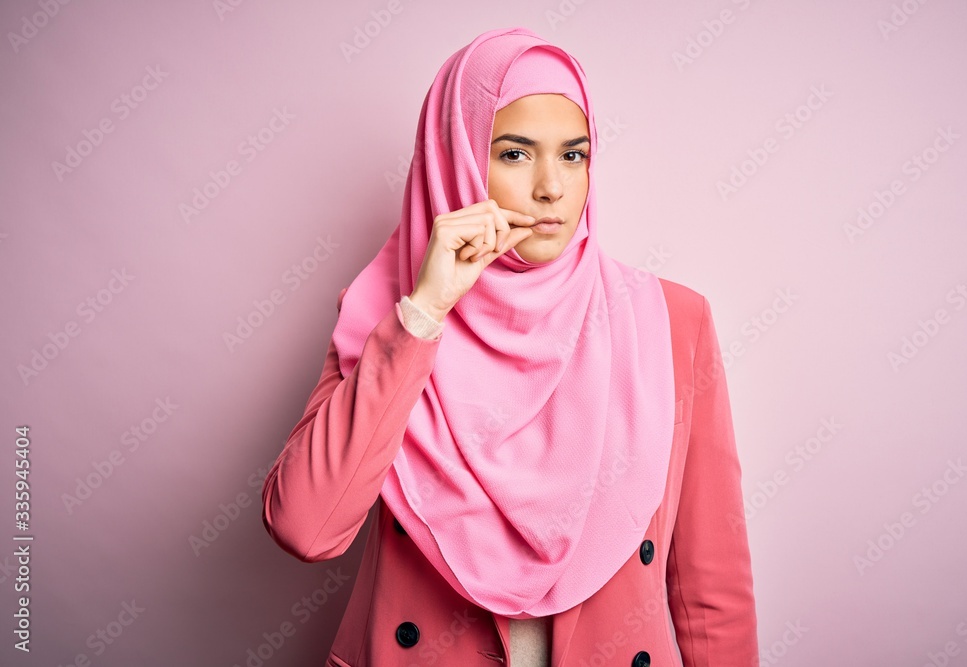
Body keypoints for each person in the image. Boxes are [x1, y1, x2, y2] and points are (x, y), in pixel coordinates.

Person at [261, 26, 758, 666]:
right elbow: (306, 528)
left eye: (574, 155)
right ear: (457, 160)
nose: (552, 188)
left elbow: (711, 580)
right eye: (516, 154)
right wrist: (424, 314)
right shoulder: (390, 320)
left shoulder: (671, 322)